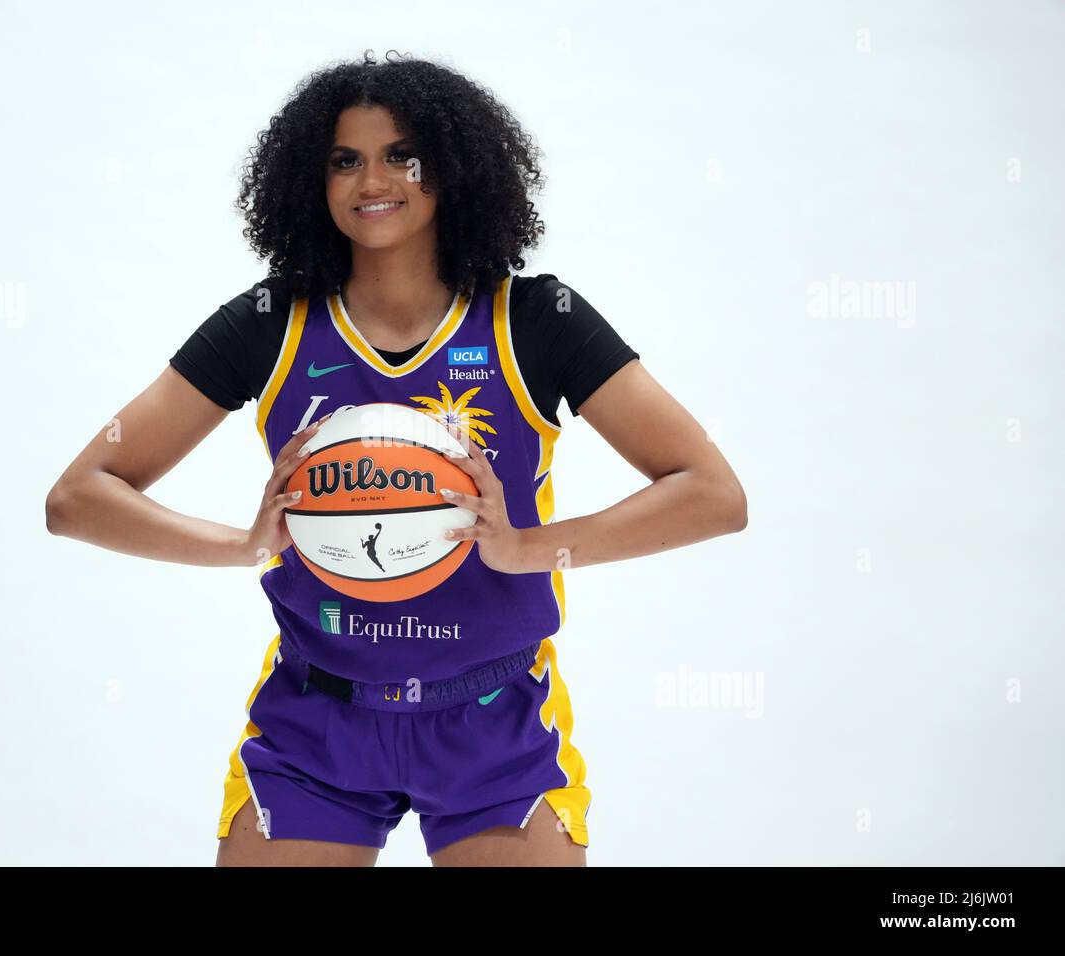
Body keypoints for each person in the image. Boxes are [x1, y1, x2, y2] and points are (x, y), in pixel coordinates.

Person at [45, 50, 748, 867]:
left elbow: (712, 493)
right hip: (318, 719)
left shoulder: (535, 319)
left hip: (498, 717)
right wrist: (245, 546)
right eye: (345, 160)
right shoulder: (271, 323)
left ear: (450, 168)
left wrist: (524, 548)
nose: (370, 179)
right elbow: (78, 496)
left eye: (399, 155)